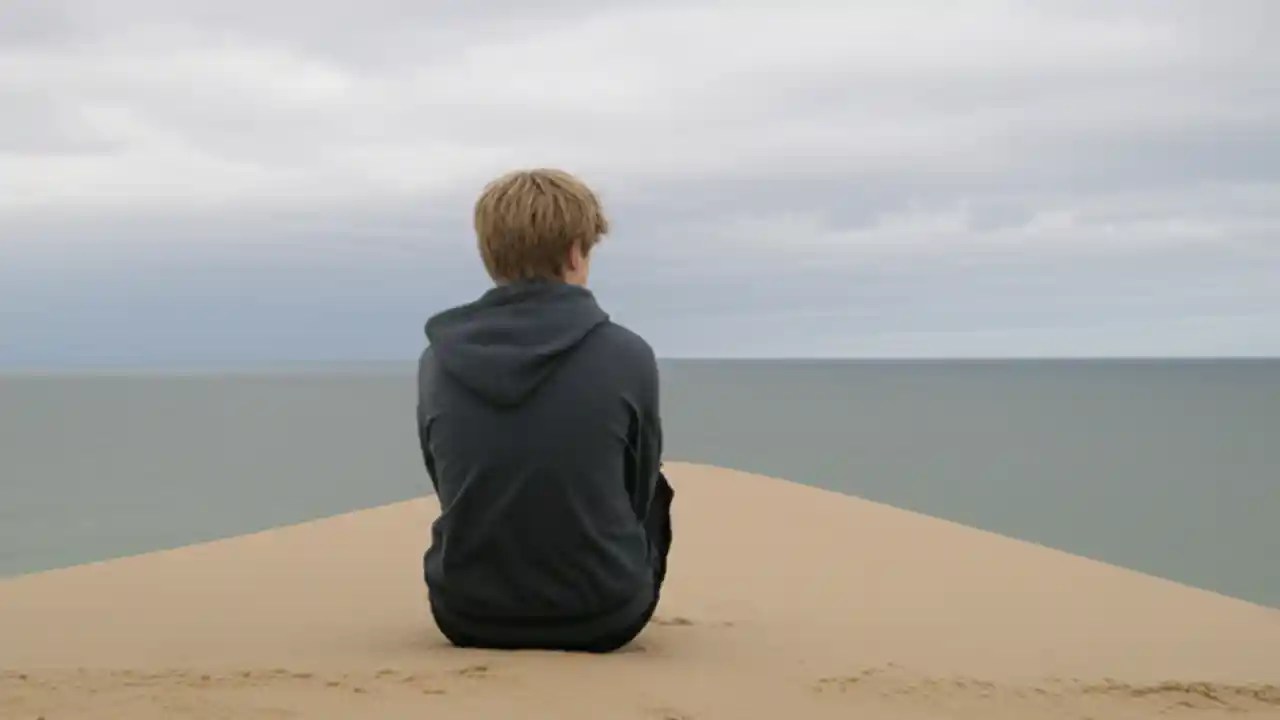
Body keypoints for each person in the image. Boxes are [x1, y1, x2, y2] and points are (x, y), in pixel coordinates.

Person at [416, 168, 673, 653]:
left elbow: (443, 478)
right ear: (577, 251)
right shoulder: (628, 354)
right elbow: (637, 489)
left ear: (490, 255)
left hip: (465, 613)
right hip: (604, 615)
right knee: (656, 482)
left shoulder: (438, 359)